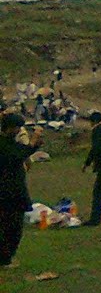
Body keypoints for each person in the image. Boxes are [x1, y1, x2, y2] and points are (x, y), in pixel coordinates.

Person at [0, 113, 40, 268]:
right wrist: (32, 145)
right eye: (17, 127)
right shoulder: (3, 145)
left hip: (15, 191)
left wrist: (35, 145)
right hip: (7, 192)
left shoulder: (9, 142)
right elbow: (15, 155)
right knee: (8, 227)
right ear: (10, 127)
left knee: (15, 227)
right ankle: (4, 259)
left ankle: (7, 257)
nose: (18, 131)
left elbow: (21, 151)